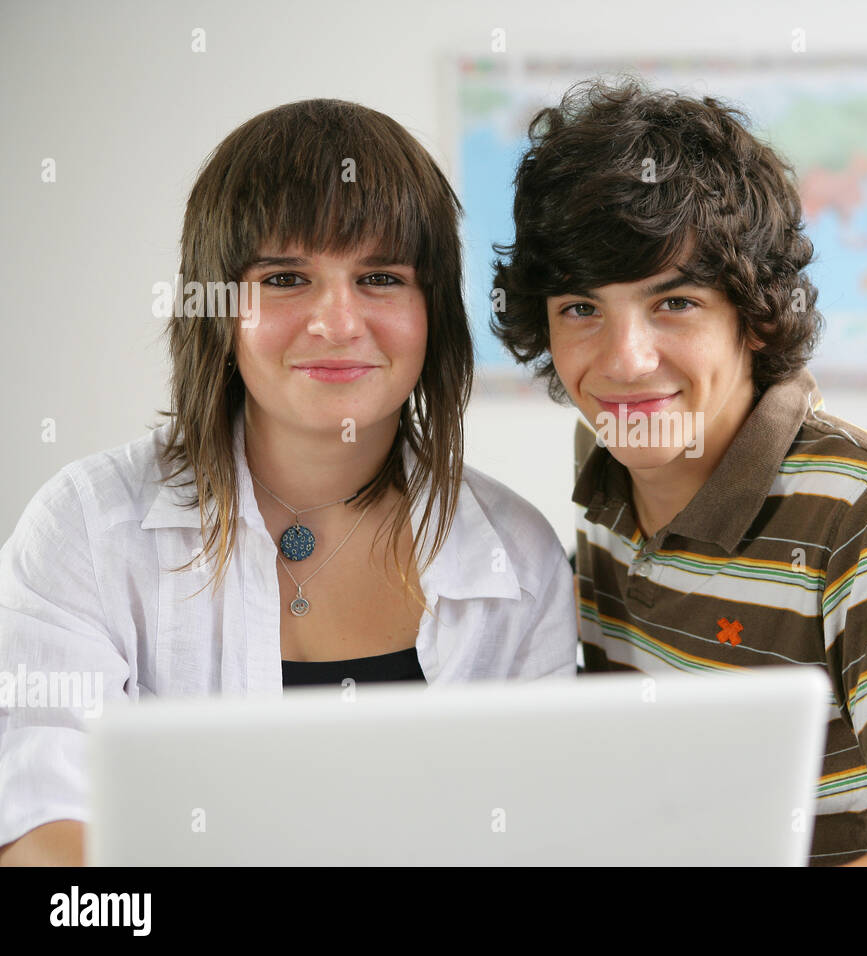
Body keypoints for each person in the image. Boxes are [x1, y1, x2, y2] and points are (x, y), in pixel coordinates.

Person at [0, 99, 576, 866]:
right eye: (284, 278)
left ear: (431, 309)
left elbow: (543, 836)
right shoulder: (84, 528)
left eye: (380, 276)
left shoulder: (522, 558)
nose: (337, 323)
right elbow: (44, 830)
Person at [490, 77, 867, 865]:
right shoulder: (608, 475)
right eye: (582, 309)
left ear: (754, 313)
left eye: (673, 303)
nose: (624, 361)